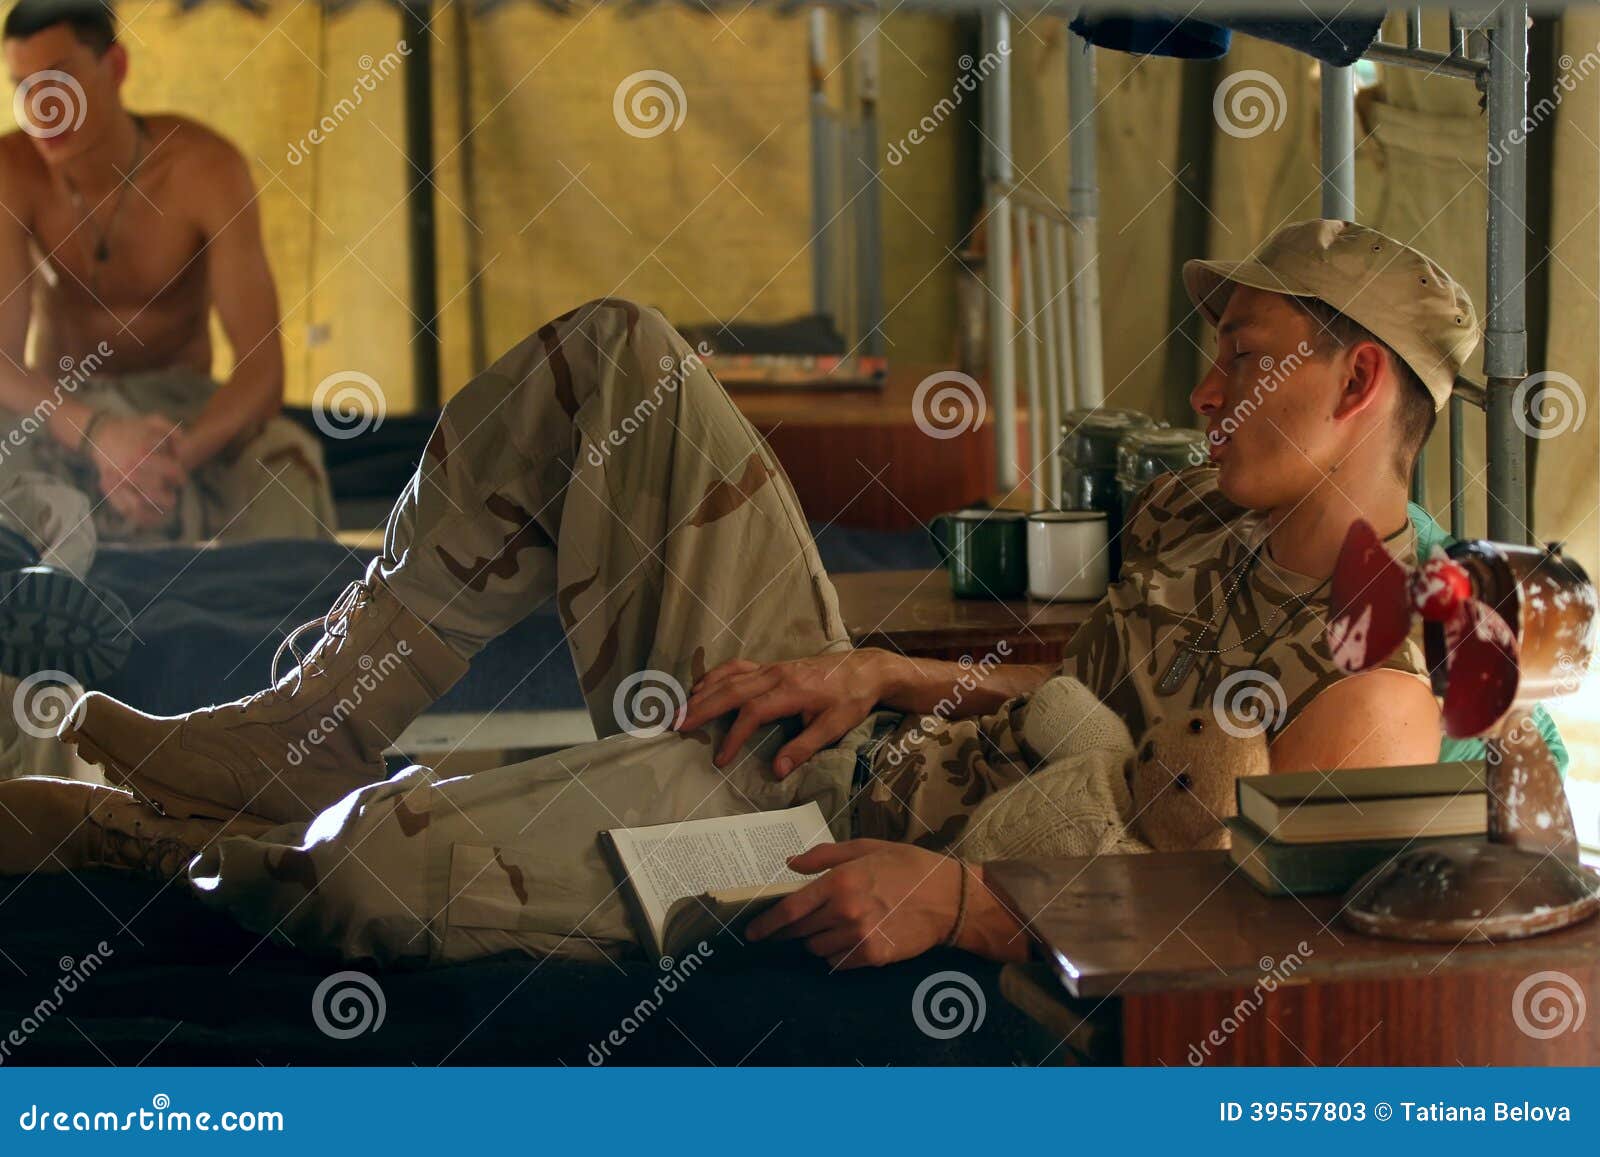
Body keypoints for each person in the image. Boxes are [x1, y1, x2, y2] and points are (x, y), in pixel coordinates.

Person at [2, 219, 1469, 970]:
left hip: (834, 843)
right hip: (858, 743)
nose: (1204, 391)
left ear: (1354, 383)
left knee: (385, 863)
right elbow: (1093, 698)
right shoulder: (1196, 509)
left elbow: (1236, 935)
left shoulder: (1385, 678)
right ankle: (308, 720)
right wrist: (881, 676)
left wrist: (966, 905)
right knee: (615, 355)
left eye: (1248, 357)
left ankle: (152, 852)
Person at [0, 0, 333, 682]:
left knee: (291, 462)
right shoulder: (10, 171)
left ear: (115, 67)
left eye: (59, 79)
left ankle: (294, 696)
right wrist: (96, 435)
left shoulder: (204, 169)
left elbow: (261, 372)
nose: (43, 108)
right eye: (24, 87)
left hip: (182, 420)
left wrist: (165, 455)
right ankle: (26, 731)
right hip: (66, 414)